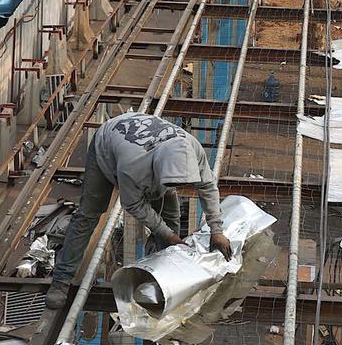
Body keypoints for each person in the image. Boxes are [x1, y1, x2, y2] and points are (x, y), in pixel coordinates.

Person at [46, 113, 232, 309]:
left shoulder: (193, 149)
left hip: (150, 158)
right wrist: (167, 234)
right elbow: (133, 204)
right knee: (88, 215)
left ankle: (163, 280)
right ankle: (61, 279)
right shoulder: (132, 165)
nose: (176, 187)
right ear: (158, 169)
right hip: (107, 145)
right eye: (172, 182)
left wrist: (217, 231)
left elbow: (208, 188)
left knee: (171, 218)